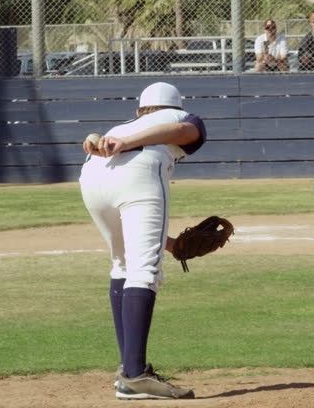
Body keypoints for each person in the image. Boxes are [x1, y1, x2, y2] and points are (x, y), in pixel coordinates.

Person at [79, 82, 206, 400]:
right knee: (145, 271)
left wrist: (172, 243)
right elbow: (182, 130)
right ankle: (135, 376)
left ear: (139, 111)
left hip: (93, 177)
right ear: (178, 107)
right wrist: (126, 142)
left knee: (123, 264)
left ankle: (128, 368)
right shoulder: (185, 118)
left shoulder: (124, 125)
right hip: (139, 172)